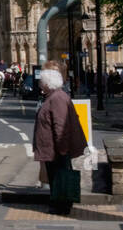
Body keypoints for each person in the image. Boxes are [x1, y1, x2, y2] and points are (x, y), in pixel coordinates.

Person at [32, 61, 88, 215]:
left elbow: (60, 125)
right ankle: (59, 203)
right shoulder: (54, 96)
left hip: (56, 149)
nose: (40, 84)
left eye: (41, 82)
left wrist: (62, 149)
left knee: (60, 177)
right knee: (56, 177)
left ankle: (61, 206)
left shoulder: (56, 98)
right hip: (53, 149)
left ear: (48, 83)